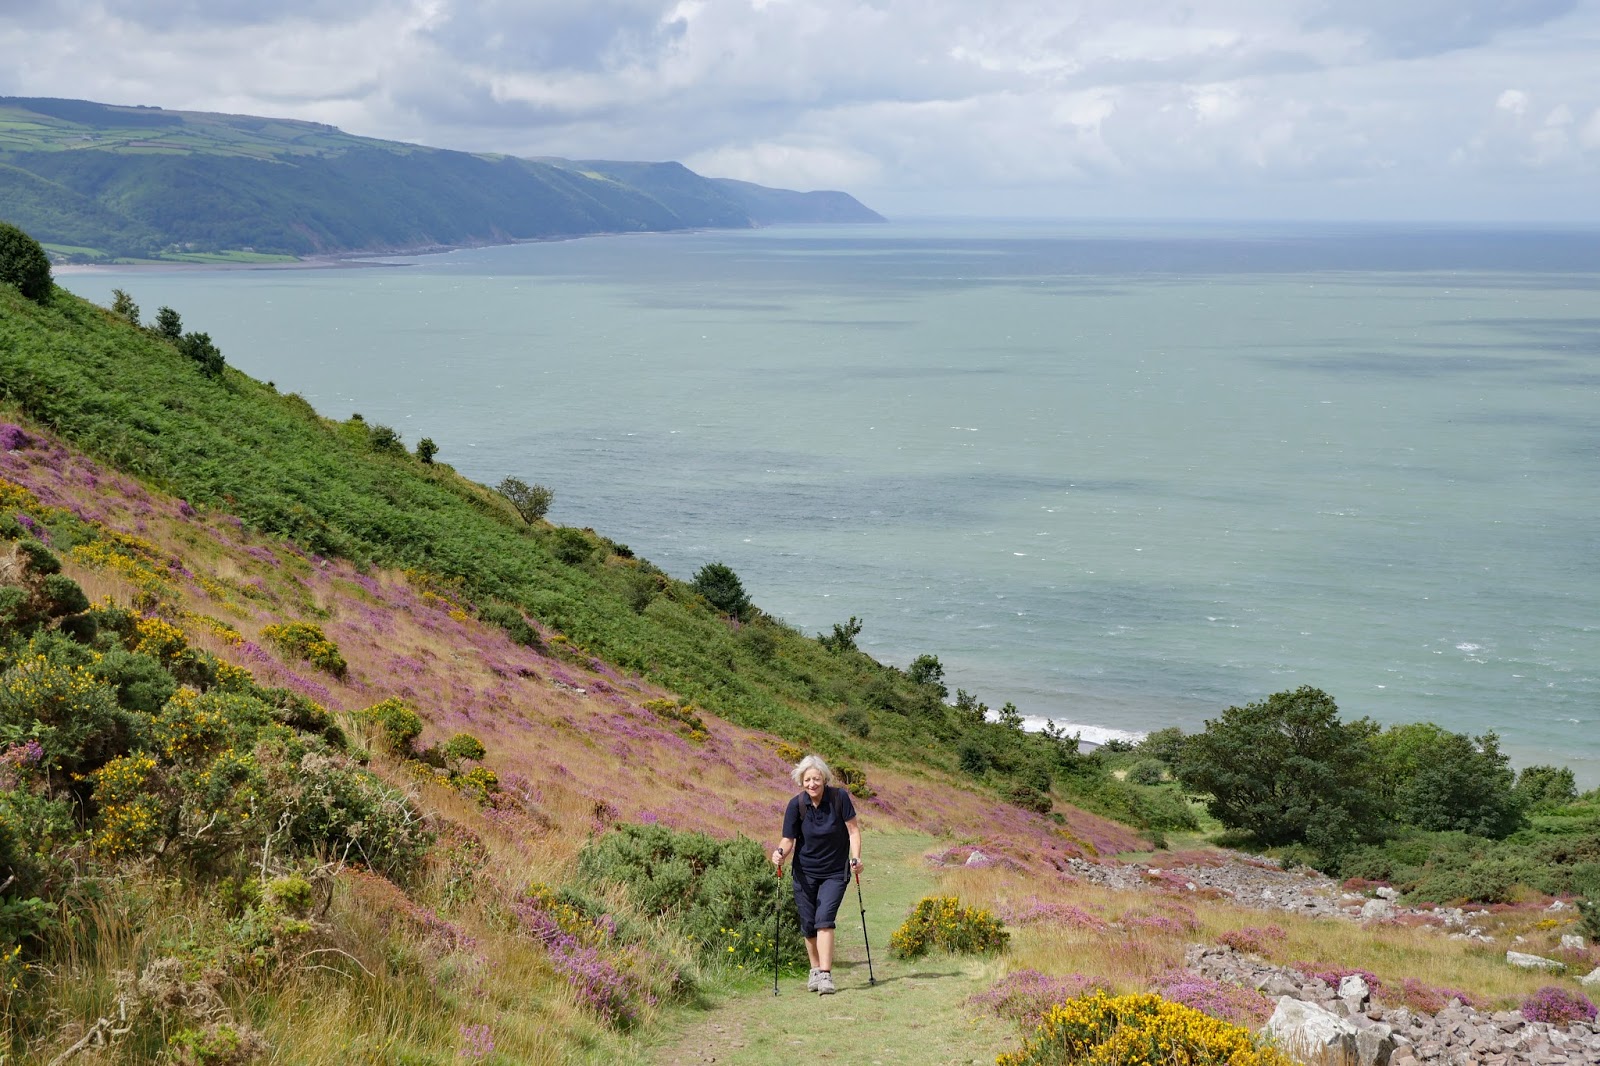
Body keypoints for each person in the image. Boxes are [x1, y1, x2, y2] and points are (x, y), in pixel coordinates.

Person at [771, 753, 862, 995]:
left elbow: (853, 831)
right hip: (804, 873)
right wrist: (779, 853)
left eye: (816, 779)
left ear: (824, 779)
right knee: (808, 924)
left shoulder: (839, 798)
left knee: (824, 920)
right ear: (801, 781)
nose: (812, 784)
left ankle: (825, 974)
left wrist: (855, 858)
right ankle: (814, 970)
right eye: (808, 780)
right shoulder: (796, 805)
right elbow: (788, 839)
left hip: (835, 872)